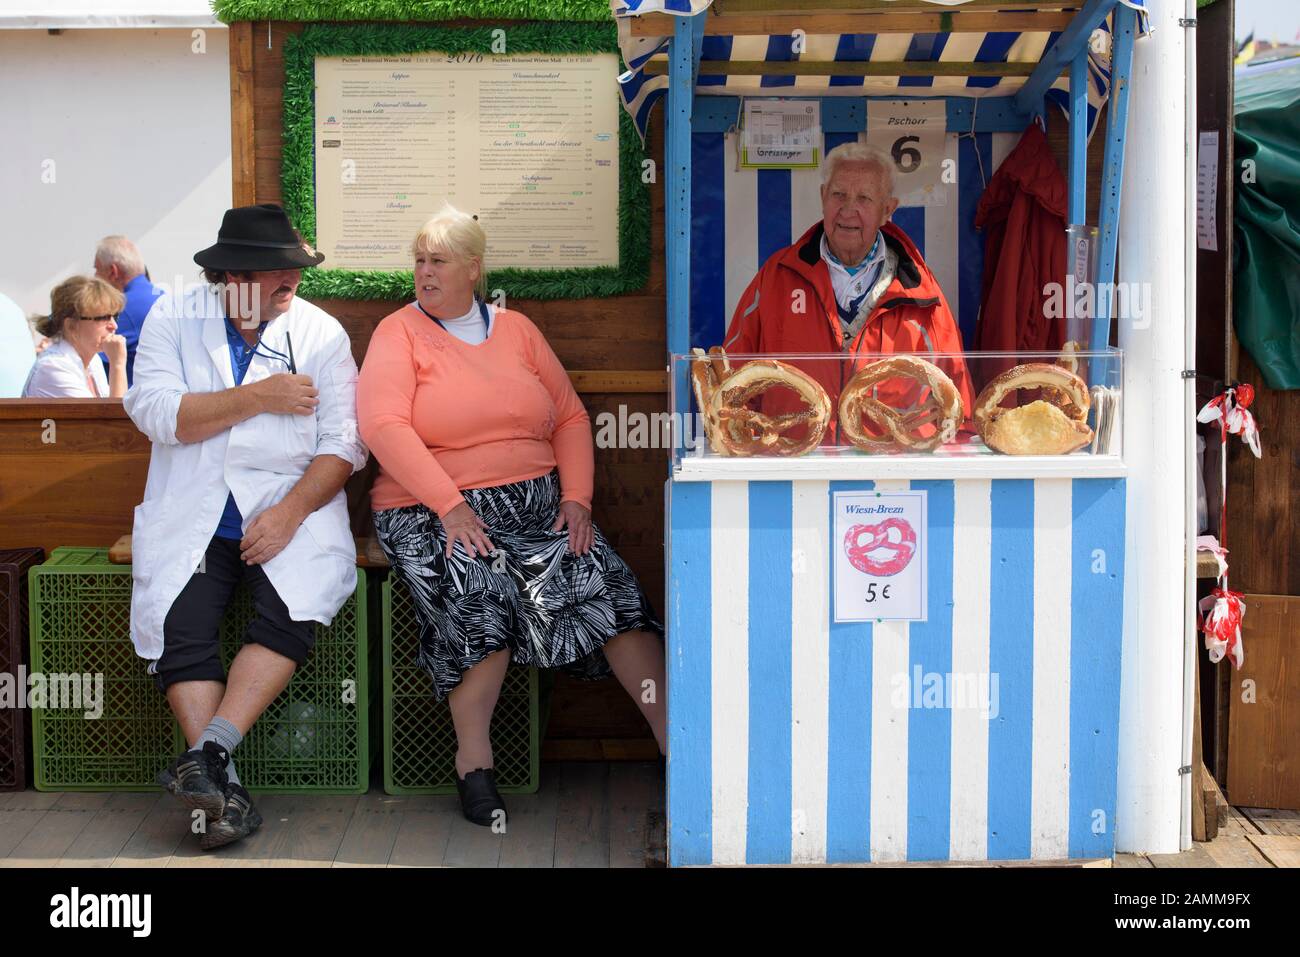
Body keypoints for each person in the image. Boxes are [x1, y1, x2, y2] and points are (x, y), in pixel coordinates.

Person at [357, 206, 665, 827]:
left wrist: (577, 498)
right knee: (482, 592)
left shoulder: (517, 329)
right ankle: (474, 764)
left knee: (610, 587)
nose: (424, 272)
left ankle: (675, 746)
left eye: (438, 261)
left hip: (538, 507)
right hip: (431, 510)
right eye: (419, 261)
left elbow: (570, 416)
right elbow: (382, 426)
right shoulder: (398, 332)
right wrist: (450, 506)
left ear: (474, 268)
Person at [124, 204, 367, 850]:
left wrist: (290, 513)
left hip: (288, 509)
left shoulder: (321, 333)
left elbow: (345, 442)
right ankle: (223, 788)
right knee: (180, 627)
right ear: (232, 275)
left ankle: (205, 758)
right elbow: (160, 415)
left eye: (296, 271)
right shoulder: (174, 318)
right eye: (277, 272)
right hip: (194, 514)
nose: (293, 283)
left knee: (289, 611)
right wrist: (260, 396)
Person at [721, 141, 976, 442]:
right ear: (823, 197)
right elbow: (732, 384)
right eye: (838, 194)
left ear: (887, 210)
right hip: (795, 461)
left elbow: (958, 408)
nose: (848, 209)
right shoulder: (777, 277)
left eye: (864, 198)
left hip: (891, 466)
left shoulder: (922, 294)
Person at [22, 276, 128, 398]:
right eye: (103, 318)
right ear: (71, 326)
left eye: (114, 316)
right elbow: (116, 410)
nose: (114, 326)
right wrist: (117, 365)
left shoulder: (93, 360)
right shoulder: (54, 368)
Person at [94, 235, 164, 385]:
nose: (94, 277)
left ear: (113, 271)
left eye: (97, 270)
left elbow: (82, 352)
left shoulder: (121, 308)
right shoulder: (164, 298)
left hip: (133, 396)